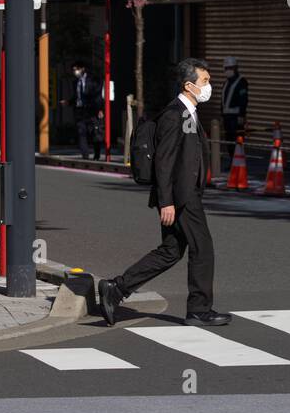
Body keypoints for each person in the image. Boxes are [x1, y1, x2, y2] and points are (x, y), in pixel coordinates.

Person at [98, 58, 230, 328]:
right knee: (202, 248)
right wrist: (167, 201)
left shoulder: (187, 112)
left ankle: (116, 288)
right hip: (181, 197)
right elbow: (165, 161)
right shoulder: (174, 115)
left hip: (182, 195)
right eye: (205, 81)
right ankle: (198, 310)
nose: (209, 86)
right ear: (189, 85)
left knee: (171, 250)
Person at [63, 61, 104, 160]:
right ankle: (85, 156)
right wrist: (68, 102)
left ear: (82, 69)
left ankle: (97, 154)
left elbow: (97, 95)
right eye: (73, 70)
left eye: (76, 69)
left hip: (92, 110)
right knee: (81, 132)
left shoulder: (92, 80)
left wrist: (100, 109)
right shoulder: (76, 82)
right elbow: (77, 97)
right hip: (80, 110)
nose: (75, 72)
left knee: (95, 132)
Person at [220, 55, 248, 161]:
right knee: (229, 141)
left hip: (236, 118)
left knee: (237, 141)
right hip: (227, 118)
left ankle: (239, 163)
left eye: (229, 68)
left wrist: (242, 115)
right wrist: (222, 115)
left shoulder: (241, 82)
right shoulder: (226, 82)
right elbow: (222, 101)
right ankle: (233, 162)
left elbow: (243, 100)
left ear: (235, 68)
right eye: (226, 68)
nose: (227, 71)